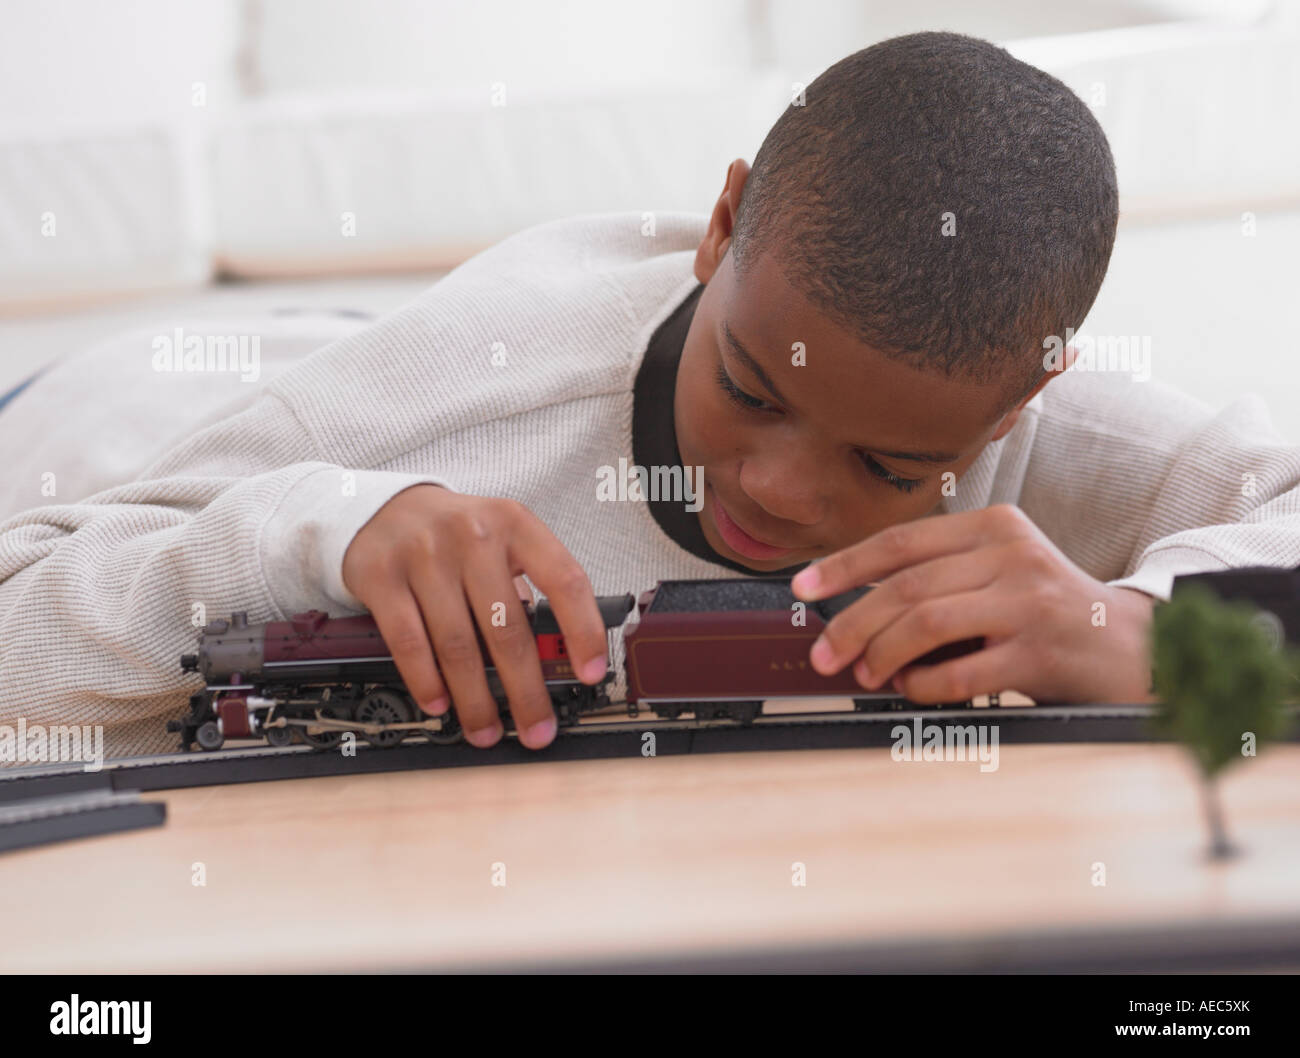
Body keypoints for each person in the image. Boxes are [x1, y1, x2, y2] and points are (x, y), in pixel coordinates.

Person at [2, 32, 1298, 760]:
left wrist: (1143, 625)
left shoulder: (1036, 403)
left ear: (1025, 397)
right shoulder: (459, 398)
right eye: (751, 388)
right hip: (78, 424)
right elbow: (21, 620)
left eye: (891, 470)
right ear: (721, 225)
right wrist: (314, 531)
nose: (780, 493)